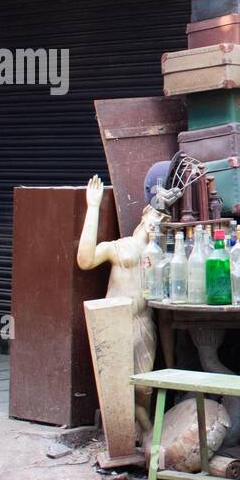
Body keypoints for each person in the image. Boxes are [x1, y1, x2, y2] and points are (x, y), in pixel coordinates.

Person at [76, 175, 164, 432]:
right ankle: (130, 433)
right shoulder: (121, 247)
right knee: (116, 382)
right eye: (155, 217)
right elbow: (85, 260)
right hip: (116, 322)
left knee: (144, 387)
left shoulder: (162, 254)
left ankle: (142, 431)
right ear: (144, 216)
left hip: (143, 321)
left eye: (164, 221)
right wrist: (93, 207)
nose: (157, 224)